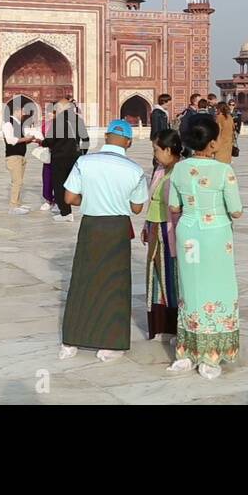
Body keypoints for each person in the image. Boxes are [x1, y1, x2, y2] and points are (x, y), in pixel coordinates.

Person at [58, 119, 149, 363]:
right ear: (128, 142)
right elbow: (137, 208)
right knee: (114, 284)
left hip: (91, 226)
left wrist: (89, 199)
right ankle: (110, 344)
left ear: (106, 137)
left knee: (82, 281)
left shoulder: (84, 162)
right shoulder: (135, 170)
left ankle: (71, 341)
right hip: (117, 228)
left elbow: (69, 197)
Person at [168, 117, 243, 380]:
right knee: (218, 285)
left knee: (191, 287)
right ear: (213, 143)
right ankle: (212, 356)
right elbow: (236, 211)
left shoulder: (177, 170)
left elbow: (174, 207)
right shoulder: (224, 171)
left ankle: (187, 350)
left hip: (188, 232)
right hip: (215, 235)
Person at [142, 129, 182, 340]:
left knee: (171, 277)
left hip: (172, 231)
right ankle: (160, 326)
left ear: (168, 149)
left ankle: (176, 326)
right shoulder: (159, 169)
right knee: (156, 276)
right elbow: (153, 200)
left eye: (157, 150)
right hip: (156, 227)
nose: (155, 154)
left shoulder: (182, 171)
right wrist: (147, 225)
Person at [42, 98, 90, 222]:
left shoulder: (58, 121)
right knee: (73, 184)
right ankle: (86, 208)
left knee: (59, 185)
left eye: (57, 108)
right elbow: (86, 140)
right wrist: (83, 153)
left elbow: (50, 140)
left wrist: (42, 142)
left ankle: (66, 213)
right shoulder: (78, 120)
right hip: (75, 157)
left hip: (60, 158)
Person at [1, 105, 37, 215]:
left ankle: (17, 204)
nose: (24, 113)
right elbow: (10, 140)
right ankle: (13, 207)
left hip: (20, 156)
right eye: (22, 111)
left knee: (19, 182)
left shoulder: (18, 124)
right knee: (17, 182)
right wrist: (26, 138)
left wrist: (30, 140)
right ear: (16, 111)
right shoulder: (8, 123)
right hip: (13, 157)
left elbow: (19, 140)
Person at [39, 106, 57, 212]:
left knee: (58, 178)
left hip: (58, 155)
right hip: (48, 155)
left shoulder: (62, 125)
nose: (49, 115)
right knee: (47, 177)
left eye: (51, 113)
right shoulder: (45, 125)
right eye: (48, 113)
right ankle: (48, 199)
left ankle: (57, 201)